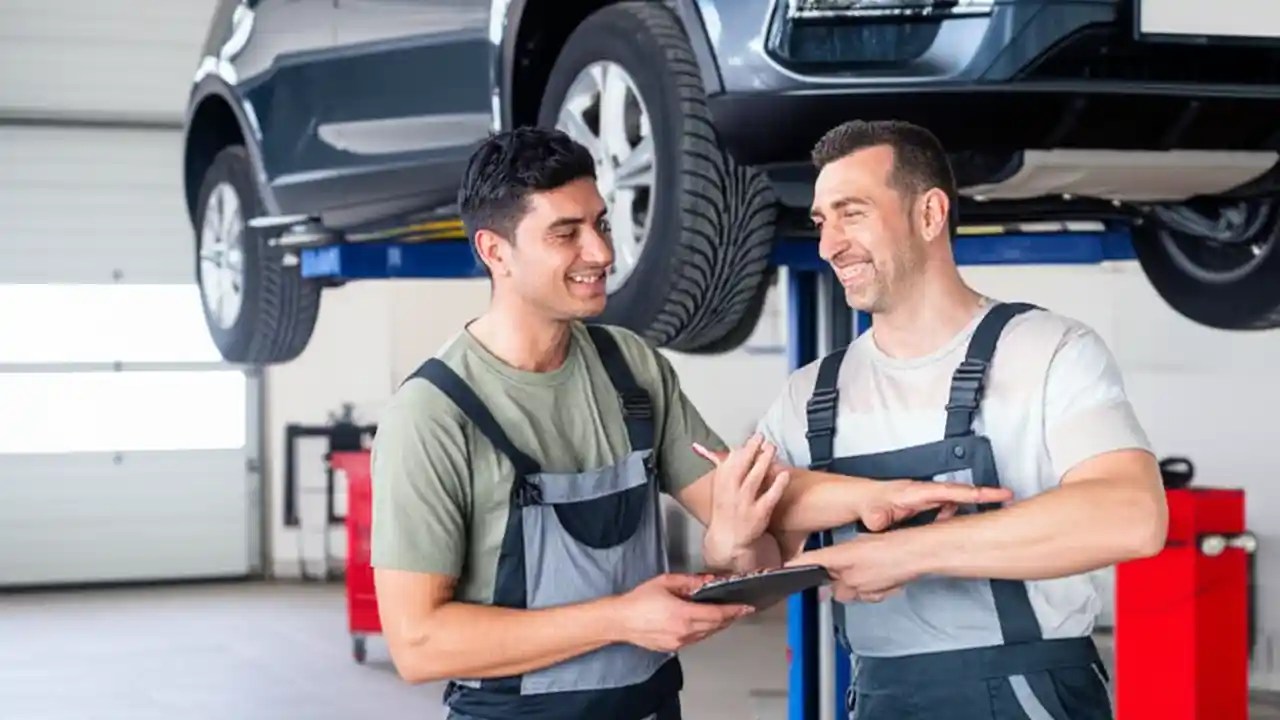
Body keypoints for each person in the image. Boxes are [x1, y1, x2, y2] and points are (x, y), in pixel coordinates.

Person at [367, 126, 1012, 720]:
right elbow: (420, 644)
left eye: (600, 223)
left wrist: (885, 497)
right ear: (494, 251)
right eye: (565, 234)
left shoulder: (630, 370)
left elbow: (748, 493)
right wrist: (622, 620)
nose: (600, 251)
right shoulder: (432, 415)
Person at [703, 119, 1169, 719]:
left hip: (1031, 693)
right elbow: (760, 568)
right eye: (822, 222)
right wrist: (730, 545)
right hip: (880, 696)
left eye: (853, 213)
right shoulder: (809, 395)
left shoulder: (1046, 351)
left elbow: (1131, 518)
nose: (828, 245)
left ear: (929, 215)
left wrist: (907, 553)